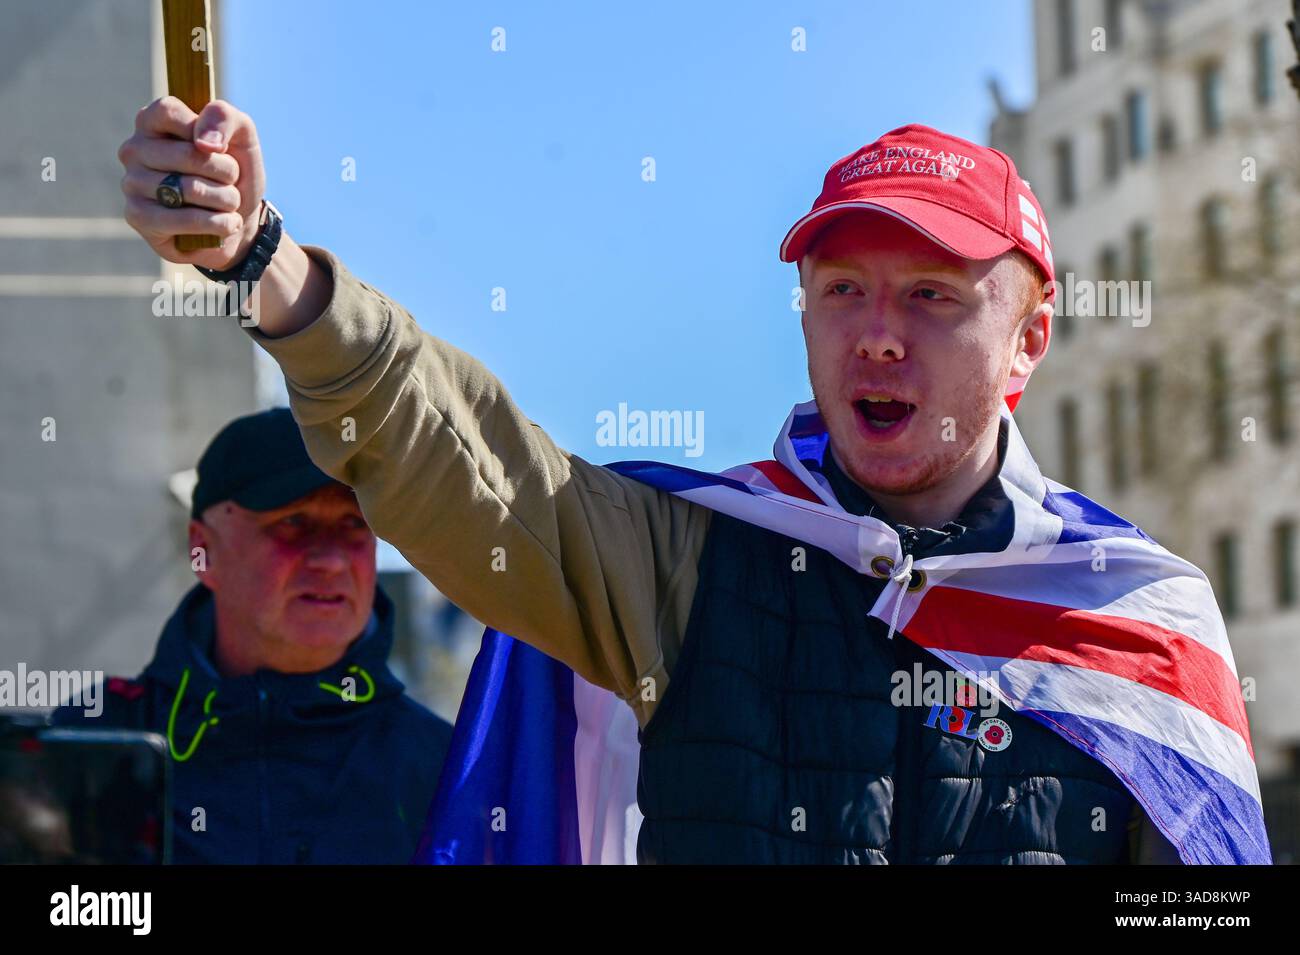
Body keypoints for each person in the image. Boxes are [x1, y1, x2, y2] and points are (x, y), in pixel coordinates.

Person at [111, 96, 1261, 864]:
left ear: (1029, 339)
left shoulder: (1135, 621)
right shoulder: (694, 555)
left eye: (931, 296)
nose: (874, 335)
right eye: (842, 290)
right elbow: (462, 457)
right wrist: (266, 261)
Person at [51, 408, 453, 864]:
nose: (332, 561)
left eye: (355, 524)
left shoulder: (445, 768)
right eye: (294, 522)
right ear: (203, 550)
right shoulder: (96, 739)